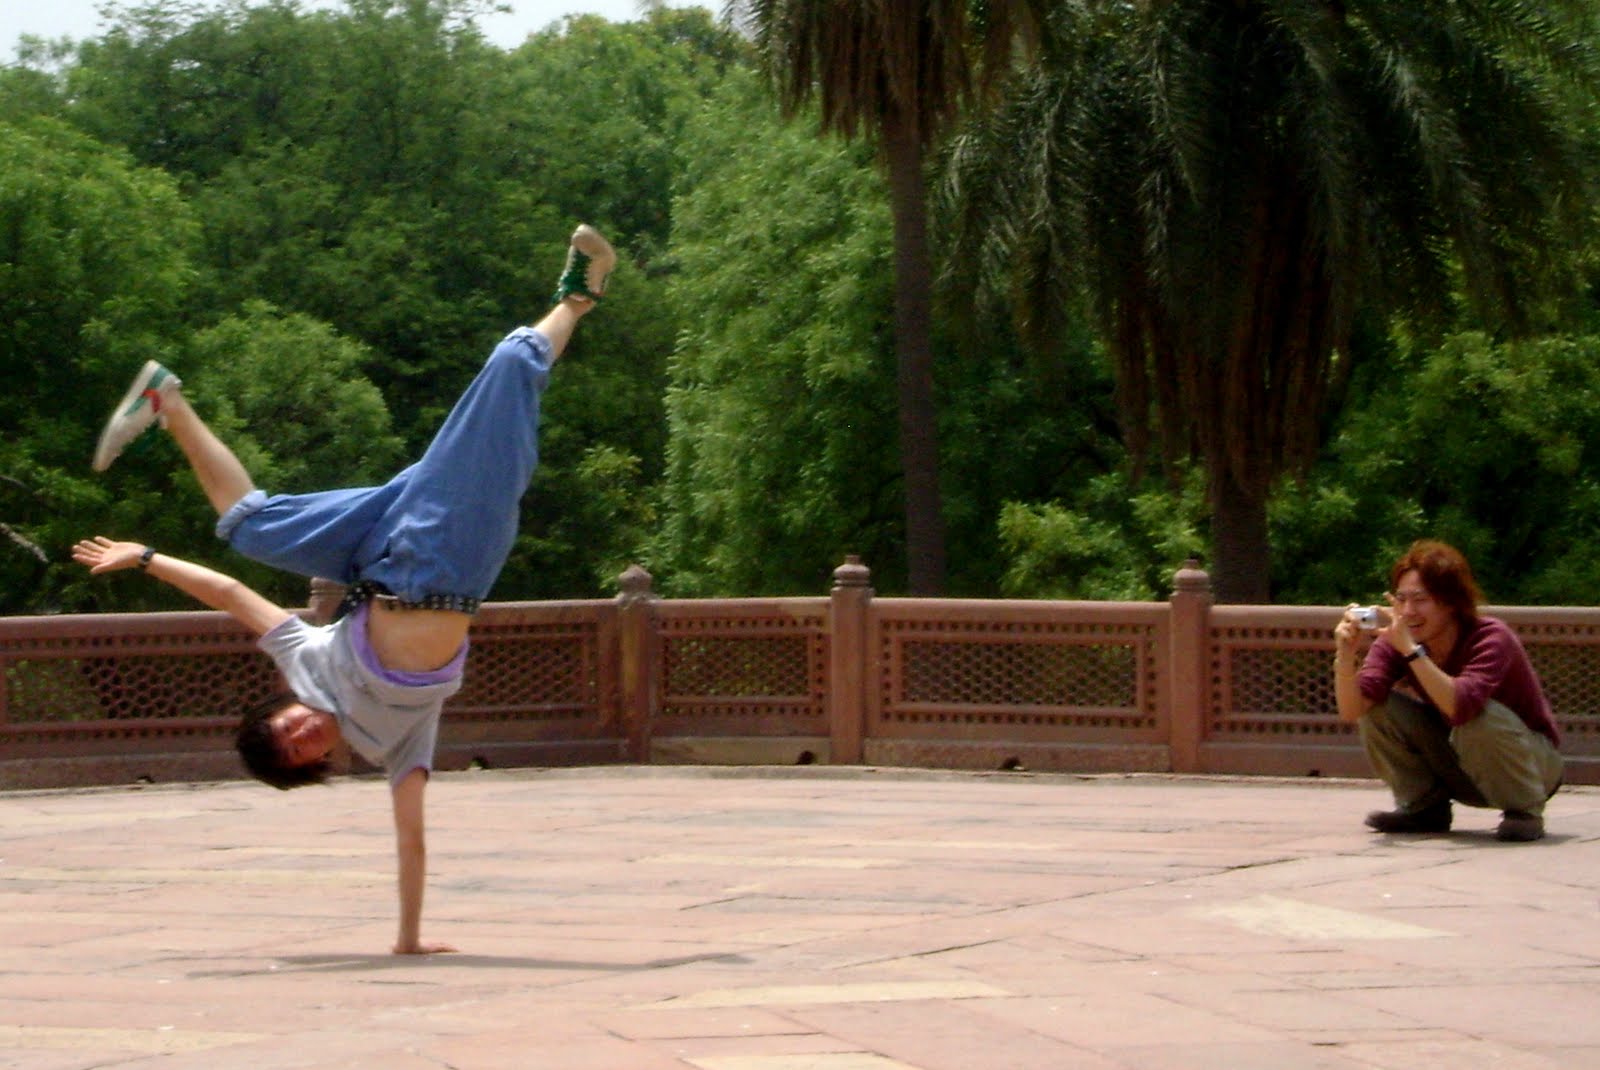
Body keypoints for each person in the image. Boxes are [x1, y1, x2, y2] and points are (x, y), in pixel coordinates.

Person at [72, 224, 616, 953]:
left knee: (248, 527)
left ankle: (168, 402)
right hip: (450, 552)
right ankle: (578, 296)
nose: (301, 732)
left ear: (282, 707)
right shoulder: (391, 740)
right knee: (507, 366)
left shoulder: (302, 664)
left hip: (374, 553)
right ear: (319, 765)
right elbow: (412, 840)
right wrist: (409, 939)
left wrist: (145, 557)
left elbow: (231, 594)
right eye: (298, 749)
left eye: (285, 726)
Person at [1332, 539, 1562, 842]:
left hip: (1532, 769)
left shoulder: (1490, 637)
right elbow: (1353, 710)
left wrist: (1411, 651)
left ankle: (1524, 812)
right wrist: (1345, 657)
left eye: (1421, 600)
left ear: (1451, 601)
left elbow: (1460, 706)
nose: (1408, 611)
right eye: (1401, 599)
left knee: (1477, 718)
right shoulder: (1395, 641)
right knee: (1378, 707)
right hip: (1464, 764)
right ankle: (1424, 808)